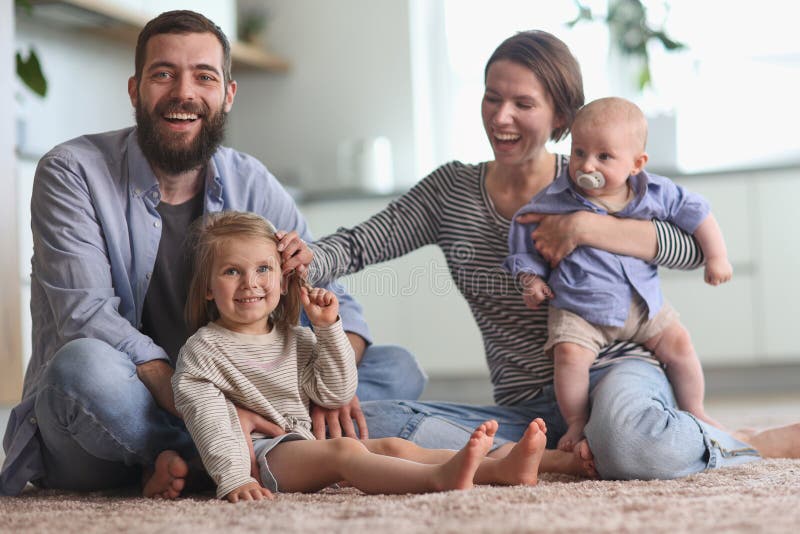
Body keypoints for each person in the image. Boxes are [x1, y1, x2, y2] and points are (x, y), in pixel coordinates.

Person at [298, 30, 800, 479]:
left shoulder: (596, 174)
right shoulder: (450, 192)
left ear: (562, 115)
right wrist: (297, 258)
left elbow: (690, 248)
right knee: (364, 424)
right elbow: (361, 243)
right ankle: (556, 456)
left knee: (630, 445)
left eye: (523, 103)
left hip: (617, 371)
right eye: (491, 99)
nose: (501, 117)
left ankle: (743, 442)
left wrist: (586, 228)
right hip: (524, 407)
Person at [0, 10, 426, 498]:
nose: (184, 93)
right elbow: (85, 316)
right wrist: (197, 406)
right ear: (136, 89)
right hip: (132, 402)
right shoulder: (72, 172)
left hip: (243, 390)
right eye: (164, 74)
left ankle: (192, 462)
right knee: (82, 369)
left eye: (203, 76)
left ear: (227, 94)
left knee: (395, 367)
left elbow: (334, 301)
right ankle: (256, 453)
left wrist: (335, 380)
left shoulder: (253, 182)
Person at [168, 211, 550, 502]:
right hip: (261, 456)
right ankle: (437, 480)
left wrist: (328, 328)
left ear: (283, 280)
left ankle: (499, 469)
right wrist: (236, 477)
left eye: (263, 269)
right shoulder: (205, 351)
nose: (250, 282)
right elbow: (210, 420)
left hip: (301, 442)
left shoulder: (295, 338)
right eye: (232, 271)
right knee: (345, 451)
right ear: (206, 288)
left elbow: (336, 393)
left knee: (394, 447)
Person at [503, 97, 729, 451]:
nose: (586, 165)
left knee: (680, 345)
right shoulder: (557, 197)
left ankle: (695, 409)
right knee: (569, 357)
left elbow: (696, 211)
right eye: (579, 152)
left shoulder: (653, 193)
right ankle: (576, 422)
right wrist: (531, 279)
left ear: (637, 164)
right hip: (581, 308)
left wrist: (717, 256)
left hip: (642, 305)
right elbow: (524, 233)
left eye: (603, 157)